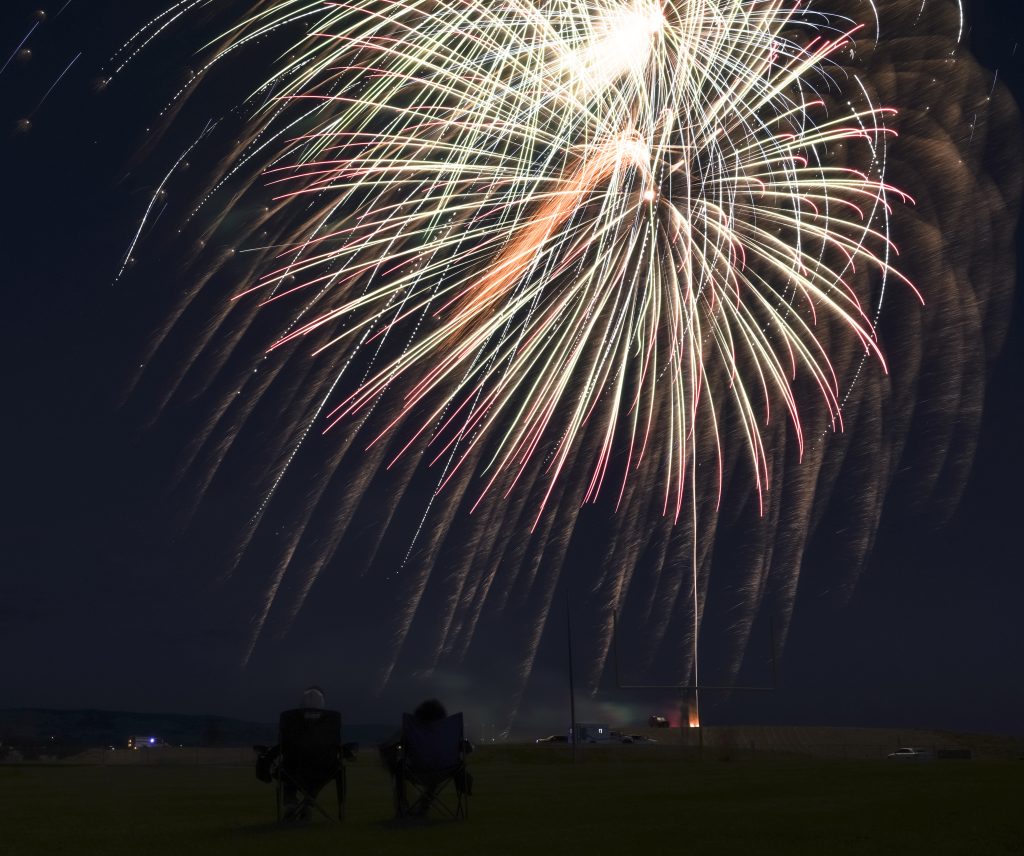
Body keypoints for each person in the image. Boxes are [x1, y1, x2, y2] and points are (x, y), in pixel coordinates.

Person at [380, 698, 473, 817]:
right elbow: (466, 749)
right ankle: (424, 805)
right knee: (436, 766)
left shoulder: (414, 732)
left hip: (418, 771)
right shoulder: (447, 733)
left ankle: (402, 807)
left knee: (399, 768)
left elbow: (402, 748)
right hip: (444, 771)